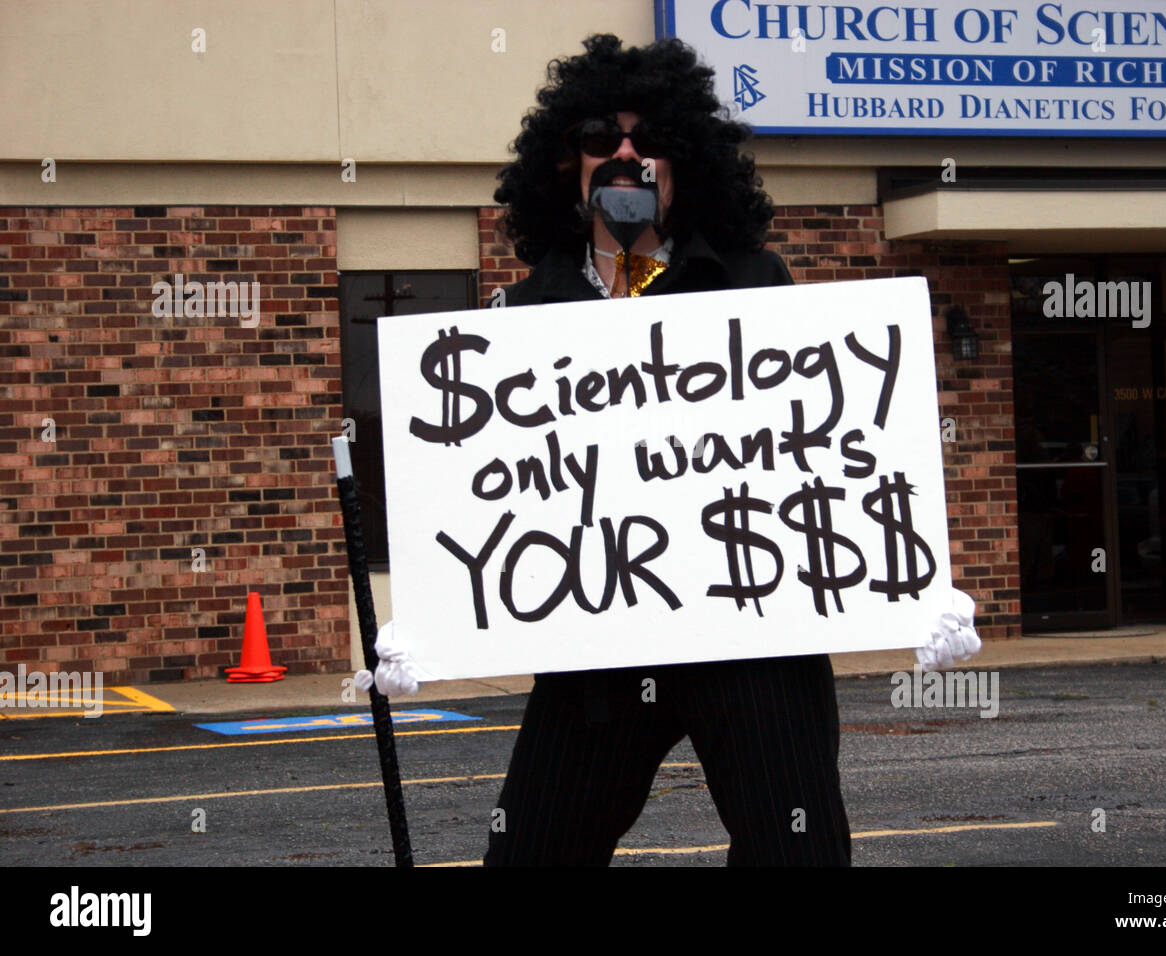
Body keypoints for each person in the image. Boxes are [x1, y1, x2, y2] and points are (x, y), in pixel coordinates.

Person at [358, 33, 982, 867]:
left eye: (650, 140)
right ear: (564, 166)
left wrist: (915, 582)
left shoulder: (754, 285)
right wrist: (429, 623)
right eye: (598, 139)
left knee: (797, 851)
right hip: (599, 648)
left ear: (683, 164)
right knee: (534, 850)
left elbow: (834, 452)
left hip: (753, 642)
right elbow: (483, 492)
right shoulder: (517, 317)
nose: (624, 154)